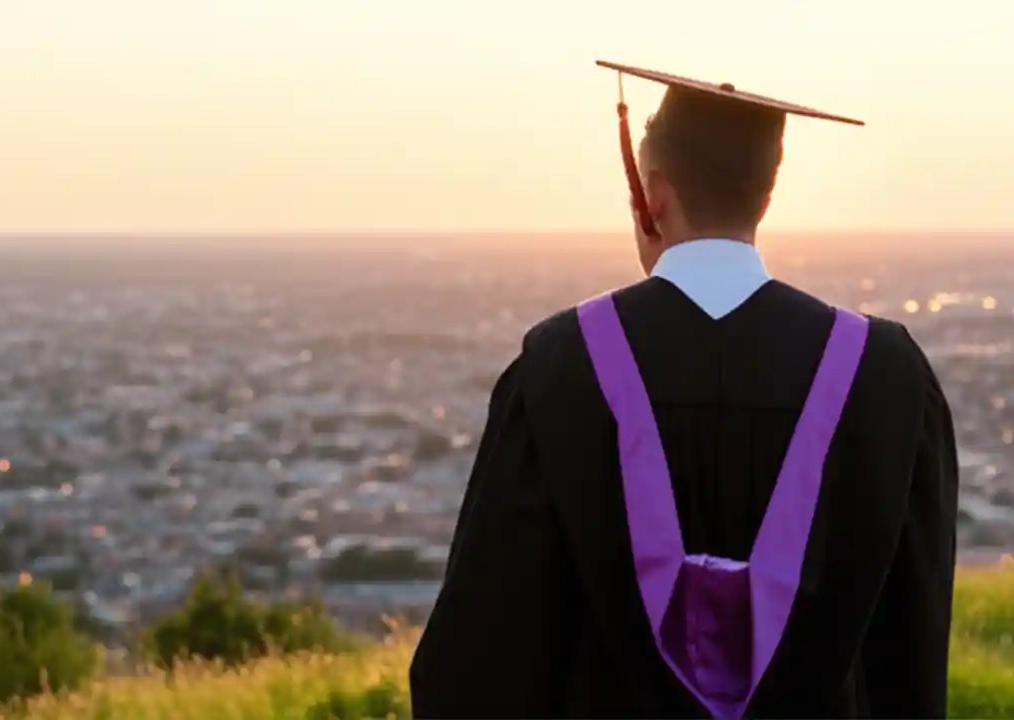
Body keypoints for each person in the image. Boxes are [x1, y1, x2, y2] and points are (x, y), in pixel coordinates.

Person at [409, 61, 959, 719]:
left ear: (654, 196)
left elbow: (484, 650)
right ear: (765, 194)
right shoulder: (883, 377)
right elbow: (913, 642)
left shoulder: (560, 370)